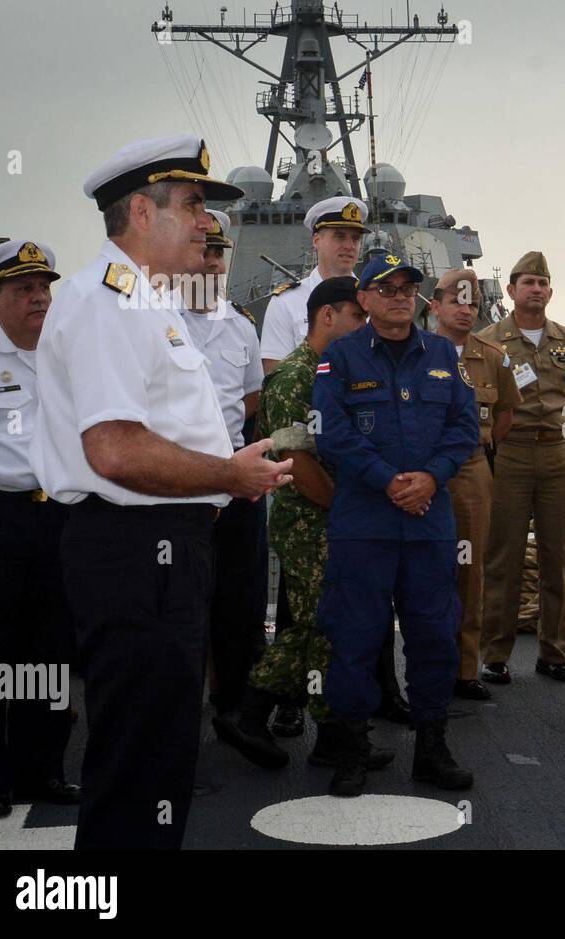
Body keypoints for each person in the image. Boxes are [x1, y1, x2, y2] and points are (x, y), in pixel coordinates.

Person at [29, 134, 292, 849]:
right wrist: (229, 475)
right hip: (136, 550)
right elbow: (112, 448)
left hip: (163, 550)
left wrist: (230, 463)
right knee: (137, 767)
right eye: (196, 204)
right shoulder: (109, 301)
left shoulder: (148, 302)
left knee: (158, 760)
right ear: (142, 211)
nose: (210, 222)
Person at [214, 276, 397, 784]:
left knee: (323, 625)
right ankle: (276, 720)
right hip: (310, 520)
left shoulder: (334, 372)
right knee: (331, 626)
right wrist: (344, 512)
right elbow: (294, 458)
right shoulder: (295, 377)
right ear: (327, 316)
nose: (365, 325)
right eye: (357, 316)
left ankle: (286, 724)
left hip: (333, 516)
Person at [313, 253, 479, 795]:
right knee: (356, 636)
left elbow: (463, 425)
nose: (400, 296)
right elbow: (331, 432)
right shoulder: (339, 358)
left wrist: (431, 478)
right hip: (364, 524)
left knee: (435, 634)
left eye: (408, 288)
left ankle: (432, 745)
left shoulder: (441, 355)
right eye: (386, 289)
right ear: (363, 299)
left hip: (428, 523)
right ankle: (353, 747)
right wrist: (388, 481)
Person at [0, 240, 79, 819]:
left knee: (52, 650)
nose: (38, 299)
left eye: (43, 288)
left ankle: (42, 771)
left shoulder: (68, 355)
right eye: (22, 291)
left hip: (57, 517)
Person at [478, 251, 565, 684]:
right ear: (512, 290)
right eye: (528, 283)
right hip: (510, 453)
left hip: (557, 452)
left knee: (556, 554)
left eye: (542, 283)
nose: (536, 290)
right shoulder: (489, 342)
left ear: (551, 291)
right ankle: (495, 654)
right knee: (502, 556)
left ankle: (554, 653)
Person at [180, 210, 267, 718]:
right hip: (180, 485)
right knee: (181, 606)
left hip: (236, 484)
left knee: (239, 601)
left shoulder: (241, 326)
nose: (212, 261)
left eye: (219, 253)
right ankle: (179, 714)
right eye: (204, 251)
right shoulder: (155, 319)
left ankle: (234, 708)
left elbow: (251, 398)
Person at [431, 268, 521, 700]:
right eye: (456, 301)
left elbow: (504, 415)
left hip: (469, 470)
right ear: (436, 306)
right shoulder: (416, 351)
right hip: (421, 473)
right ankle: (426, 667)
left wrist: (478, 450)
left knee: (469, 571)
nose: (465, 309)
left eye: (471, 302)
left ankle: (465, 669)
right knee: (422, 573)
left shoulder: (494, 356)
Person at [259, 196, 367, 372]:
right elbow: (275, 375)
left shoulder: (373, 299)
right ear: (316, 241)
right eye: (339, 236)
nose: (349, 246)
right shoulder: (285, 303)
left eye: (355, 238)